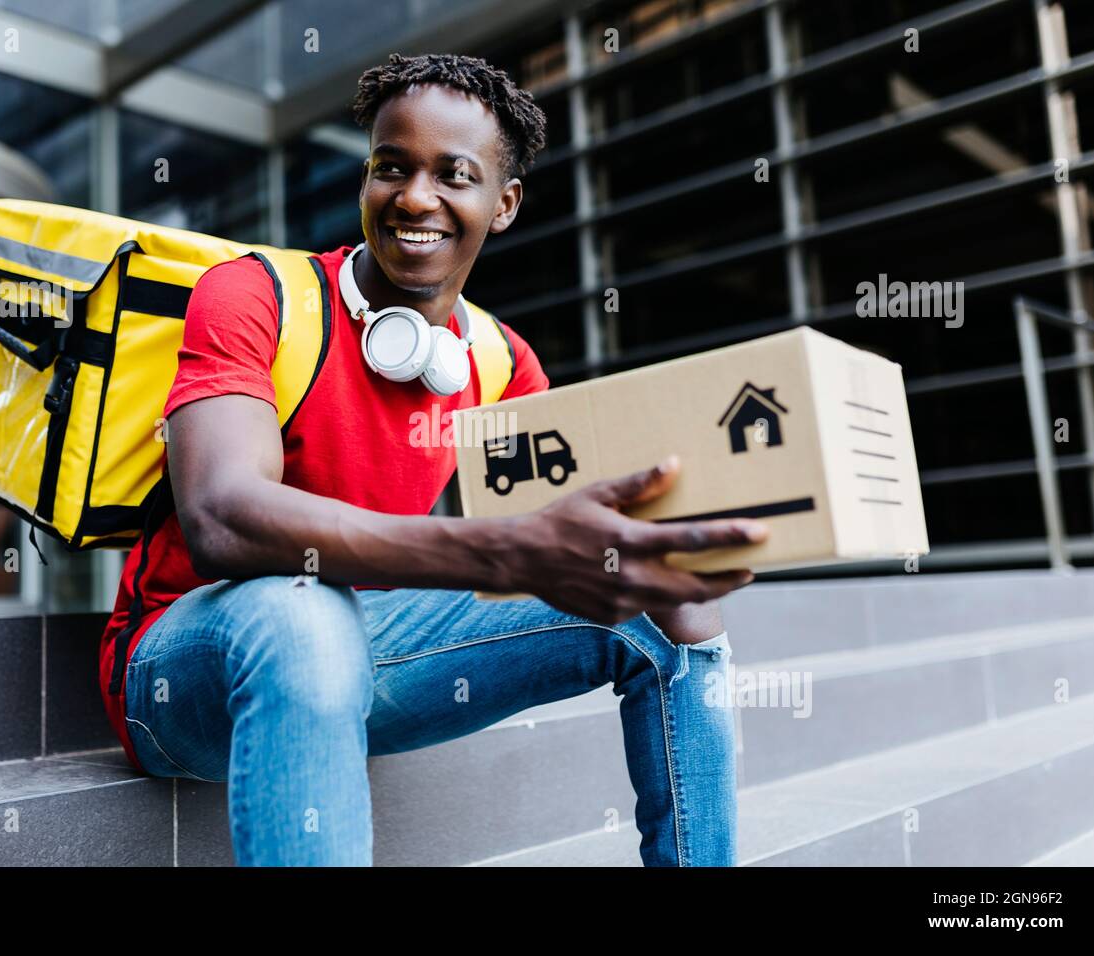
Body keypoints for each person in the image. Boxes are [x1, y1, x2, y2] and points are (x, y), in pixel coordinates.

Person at [98, 52, 767, 867]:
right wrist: (504, 547)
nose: (415, 198)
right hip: (184, 674)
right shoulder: (254, 295)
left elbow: (553, 542)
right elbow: (222, 518)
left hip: (371, 650)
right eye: (391, 167)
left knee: (669, 605)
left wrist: (664, 545)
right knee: (307, 614)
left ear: (504, 202)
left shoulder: (499, 362)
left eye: (454, 174)